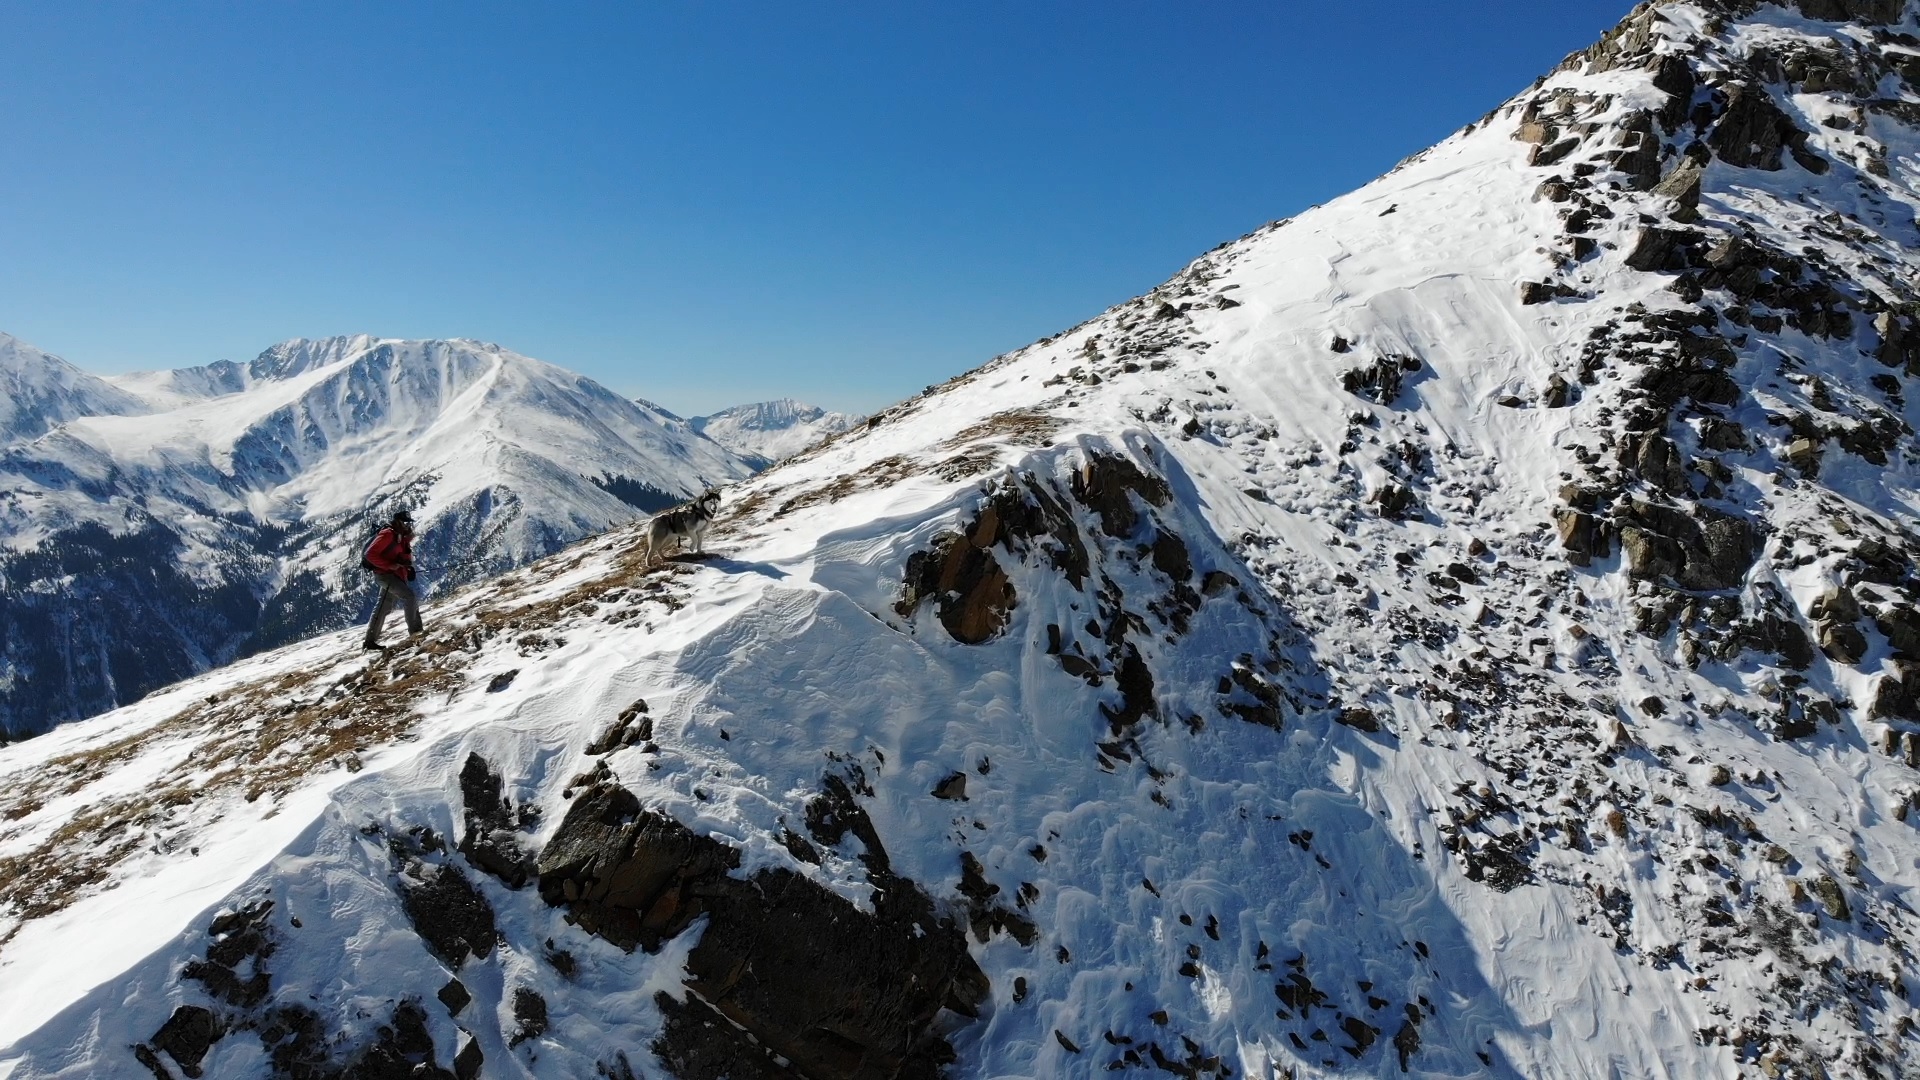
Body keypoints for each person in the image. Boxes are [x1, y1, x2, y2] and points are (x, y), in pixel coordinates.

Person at [363, 510, 423, 649]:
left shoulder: (402, 537)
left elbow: (403, 557)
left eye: (409, 523)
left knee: (384, 606)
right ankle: (416, 633)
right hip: (385, 575)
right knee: (410, 597)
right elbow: (370, 554)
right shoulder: (388, 534)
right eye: (405, 522)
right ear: (398, 522)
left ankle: (370, 641)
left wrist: (408, 569)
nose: (408, 525)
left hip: (395, 575)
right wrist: (390, 565)